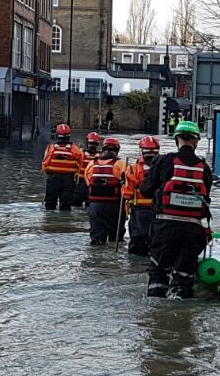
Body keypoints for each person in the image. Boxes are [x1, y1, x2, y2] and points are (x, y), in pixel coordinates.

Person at [139, 120, 212, 299]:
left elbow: (145, 189)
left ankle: (156, 311)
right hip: (193, 230)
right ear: (196, 141)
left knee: (158, 272)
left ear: (176, 139)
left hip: (165, 227)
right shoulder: (204, 168)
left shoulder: (165, 161)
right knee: (184, 276)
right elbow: (206, 199)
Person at [121, 136, 159, 256]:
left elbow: (127, 194)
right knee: (156, 242)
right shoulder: (163, 168)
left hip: (139, 211)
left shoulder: (133, 169)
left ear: (142, 151)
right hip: (158, 211)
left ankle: (135, 268)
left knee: (137, 244)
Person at [85, 138, 127, 245]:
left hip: (95, 207)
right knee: (116, 238)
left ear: (103, 149)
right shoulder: (121, 164)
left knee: (97, 239)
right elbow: (128, 184)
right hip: (114, 206)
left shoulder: (91, 164)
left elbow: (88, 182)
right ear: (117, 150)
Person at [40, 123, 85, 211]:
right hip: (69, 180)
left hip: (53, 179)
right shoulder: (76, 150)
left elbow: (44, 165)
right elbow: (80, 166)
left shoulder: (50, 148)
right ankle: (65, 223)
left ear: (57, 135)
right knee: (66, 205)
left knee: (50, 204)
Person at [71, 131, 102, 208]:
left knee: (76, 205)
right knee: (90, 206)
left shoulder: (81, 153)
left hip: (81, 184)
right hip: (93, 184)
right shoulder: (101, 156)